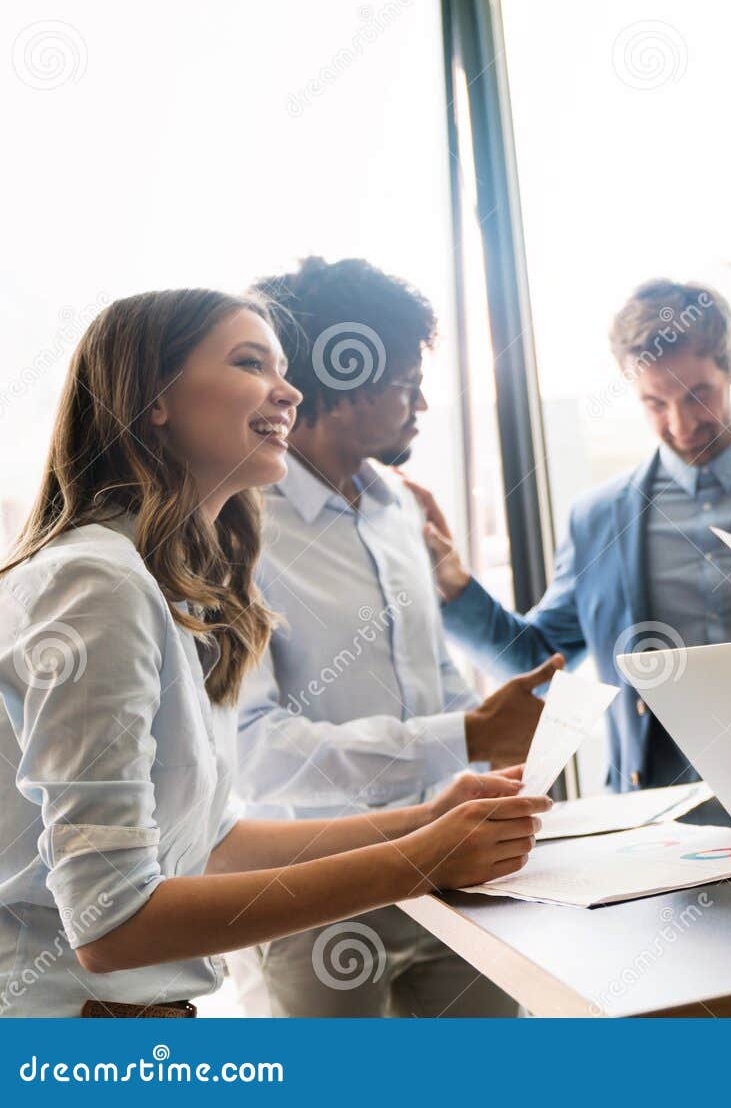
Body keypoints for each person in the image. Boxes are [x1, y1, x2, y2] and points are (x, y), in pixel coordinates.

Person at [0, 289, 545, 1018]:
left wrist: (426, 819)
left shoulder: (168, 586)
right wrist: (423, 859)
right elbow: (110, 921)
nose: (289, 390)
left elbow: (211, 844)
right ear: (155, 398)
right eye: (251, 363)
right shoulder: (96, 581)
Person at [227, 257, 557, 1017]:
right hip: (311, 894)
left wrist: (493, 741)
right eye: (407, 383)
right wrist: (465, 730)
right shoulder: (238, 528)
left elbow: (434, 679)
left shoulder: (396, 507)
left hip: (449, 867)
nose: (423, 403)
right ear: (340, 386)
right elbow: (254, 749)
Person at [412, 279, 731, 791]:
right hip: (658, 807)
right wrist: (454, 585)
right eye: (655, 403)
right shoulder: (596, 519)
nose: (681, 424)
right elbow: (538, 660)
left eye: (697, 394)